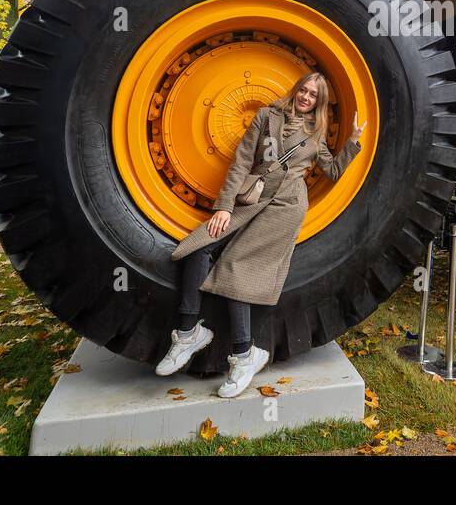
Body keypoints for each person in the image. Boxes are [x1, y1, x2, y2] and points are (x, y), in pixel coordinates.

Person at [155, 71, 367, 395]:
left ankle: (243, 356)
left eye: (313, 96)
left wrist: (352, 142)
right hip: (252, 195)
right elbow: (241, 162)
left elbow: (334, 171)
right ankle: (187, 333)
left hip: (286, 207)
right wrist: (224, 207)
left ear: (318, 104)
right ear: (297, 90)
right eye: (304, 90)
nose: (306, 97)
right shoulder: (267, 116)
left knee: (239, 267)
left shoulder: (314, 137)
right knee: (199, 248)